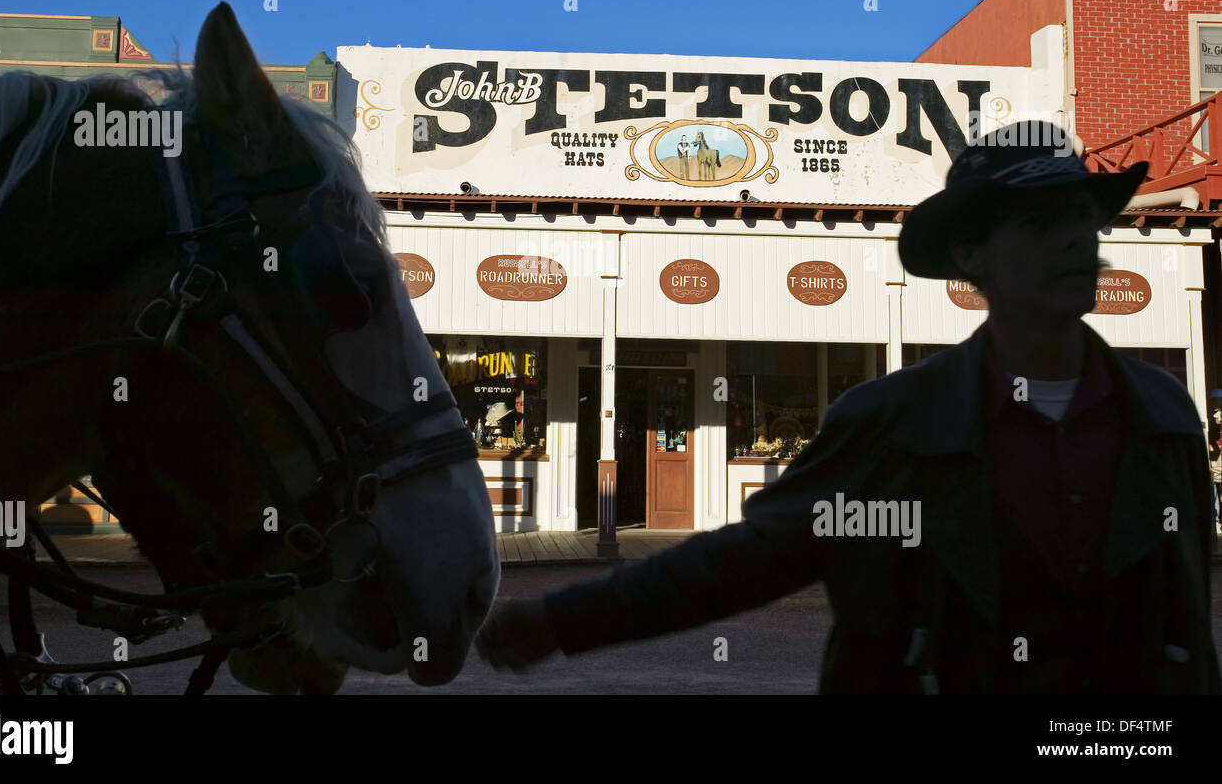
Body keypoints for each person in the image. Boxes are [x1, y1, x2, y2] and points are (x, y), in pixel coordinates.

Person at [475, 122, 1221, 694]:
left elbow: (1188, 622)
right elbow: (748, 560)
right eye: (1035, 222)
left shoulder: (1162, 413)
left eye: (1081, 218)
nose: (1071, 241)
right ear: (970, 254)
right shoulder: (891, 422)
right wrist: (563, 620)